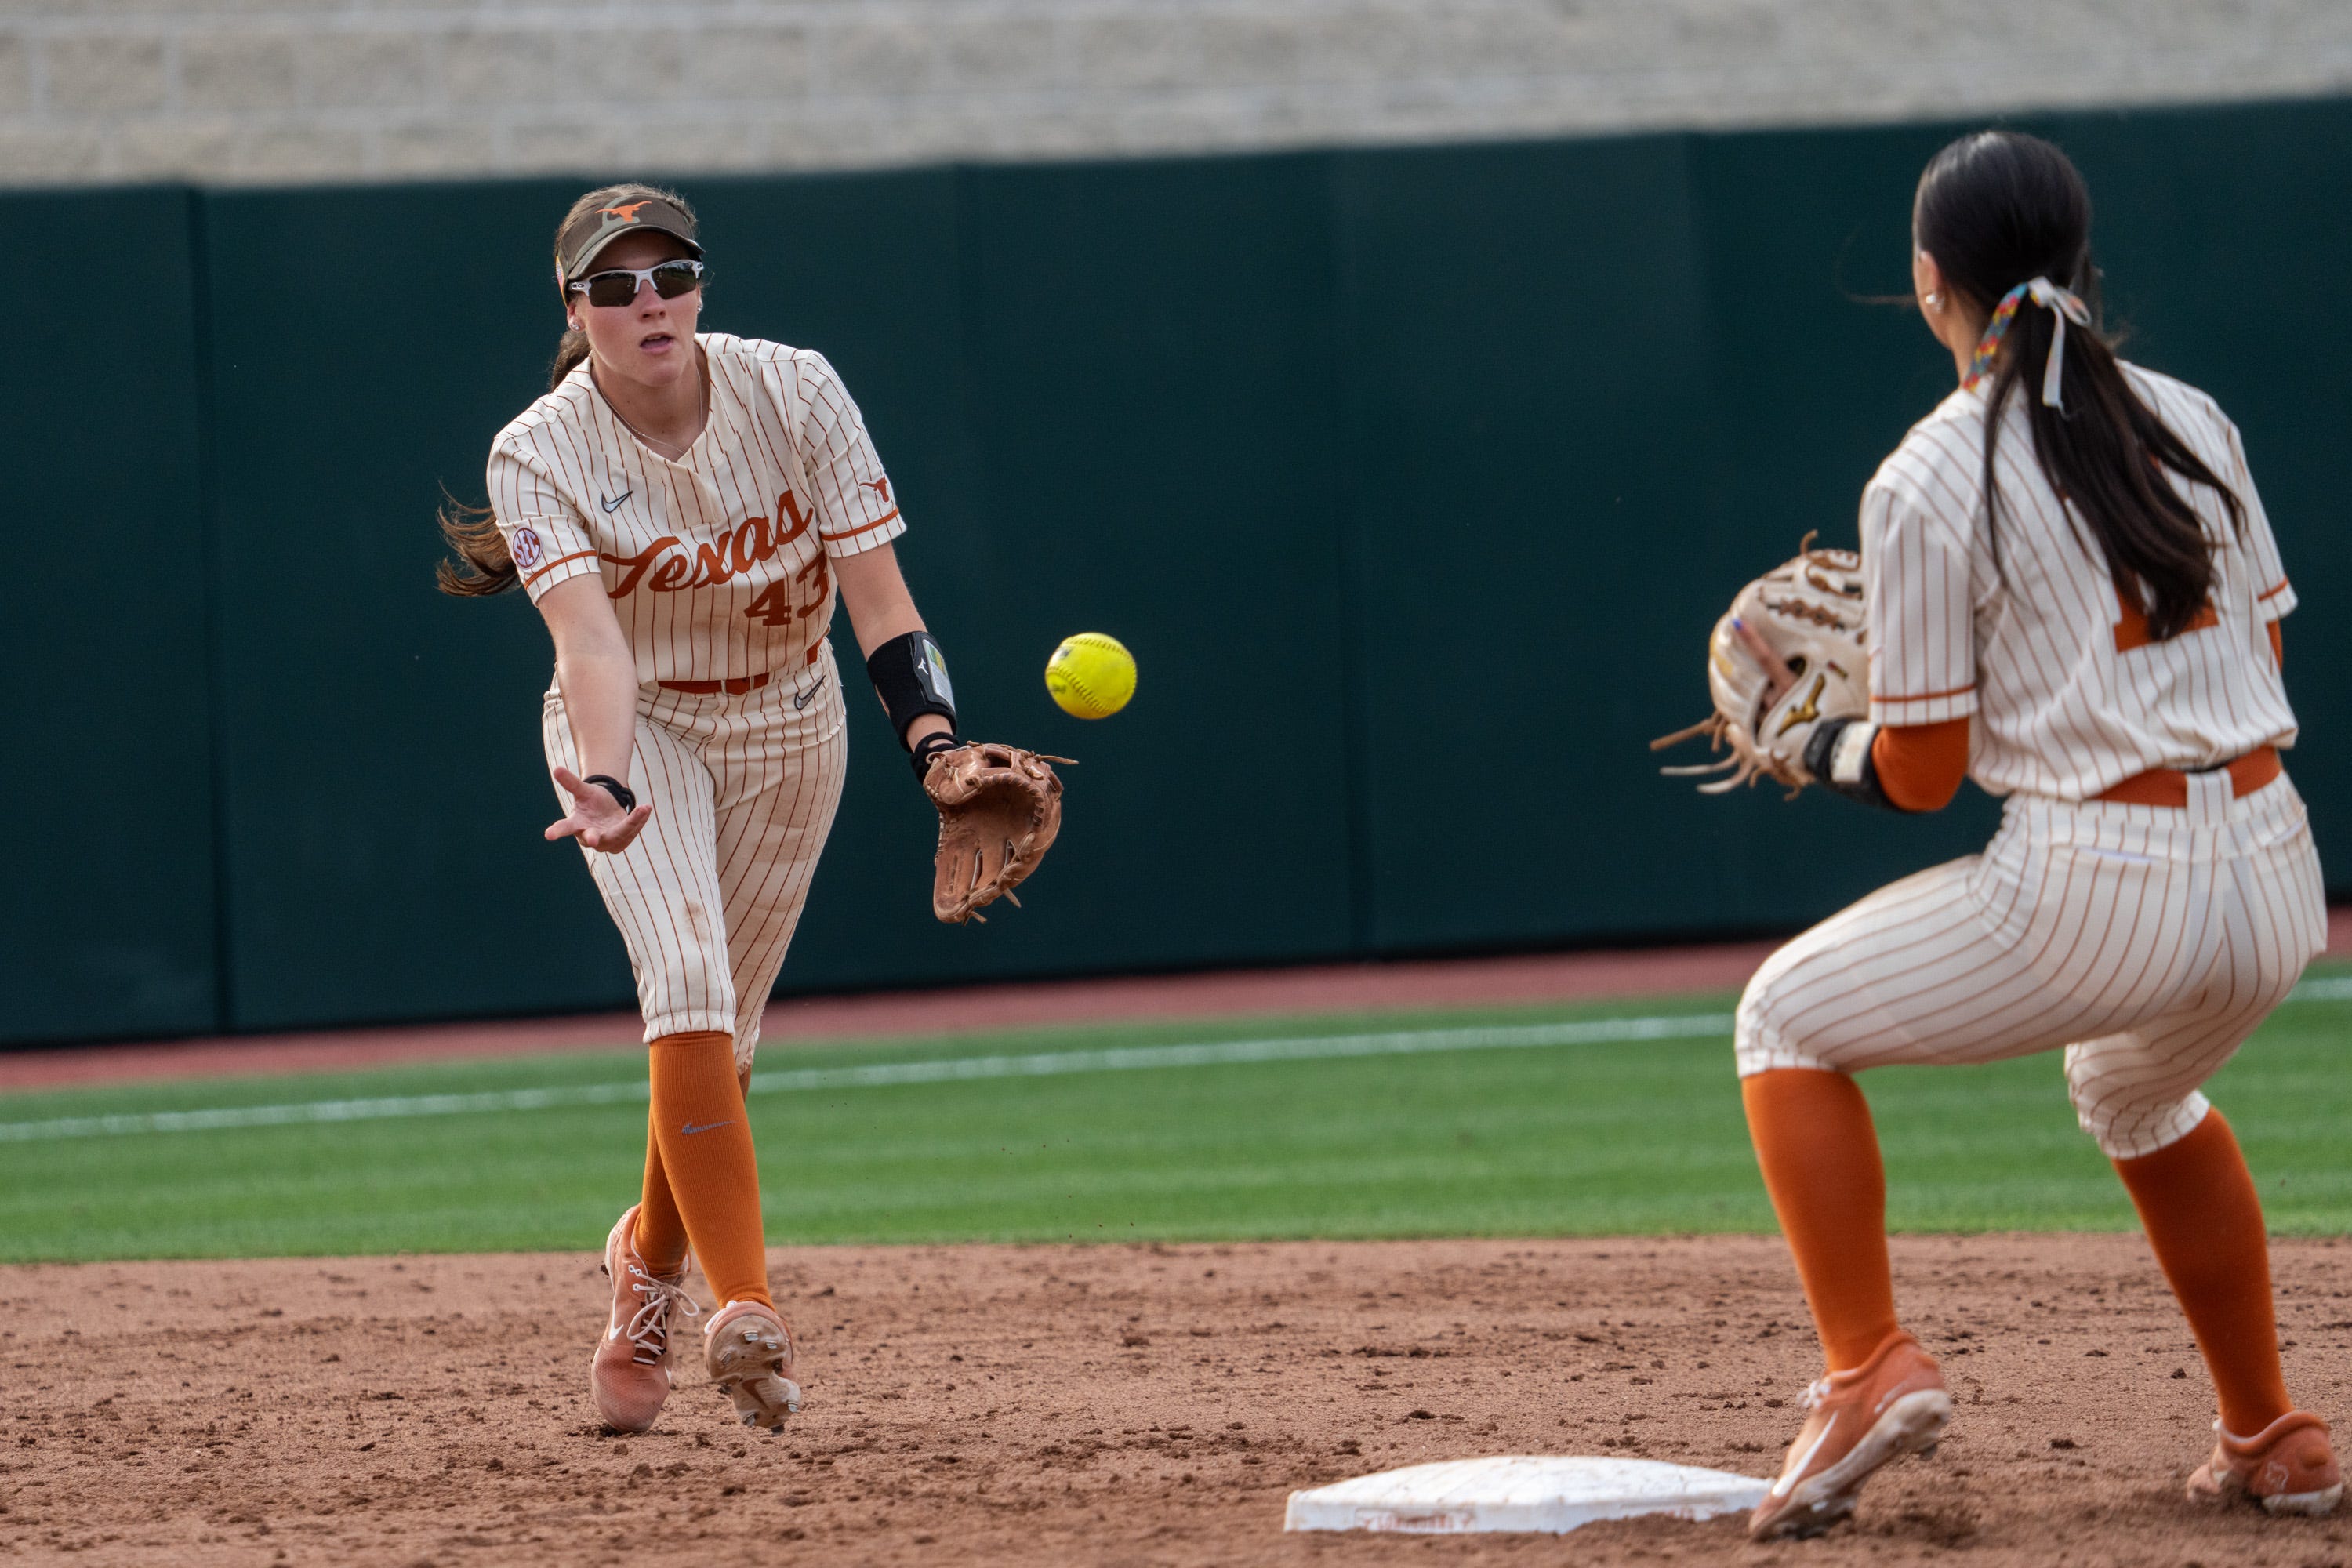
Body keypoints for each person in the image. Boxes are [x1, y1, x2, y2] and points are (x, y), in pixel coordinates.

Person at [1730, 131, 2339, 1538]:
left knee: (1781, 1020)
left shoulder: (1933, 472)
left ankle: (1868, 1365)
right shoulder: (2195, 417)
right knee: (2136, 1095)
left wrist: (1816, 744)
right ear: (2081, 264)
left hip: (2100, 882)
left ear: (1928, 282)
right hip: (2276, 872)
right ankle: (2273, 1434)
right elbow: (2265, 670)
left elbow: (1929, 776)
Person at [437, 183, 988, 1436]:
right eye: (616, 284)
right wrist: (613, 776)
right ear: (575, 309)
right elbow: (591, 647)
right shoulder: (539, 449)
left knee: (724, 1037)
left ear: (700, 285)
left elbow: (884, 604)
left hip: (797, 723)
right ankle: (746, 1307)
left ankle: (644, 1264)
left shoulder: (795, 389)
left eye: (671, 274)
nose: (650, 302)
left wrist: (936, 748)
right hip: (643, 735)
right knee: (682, 977)